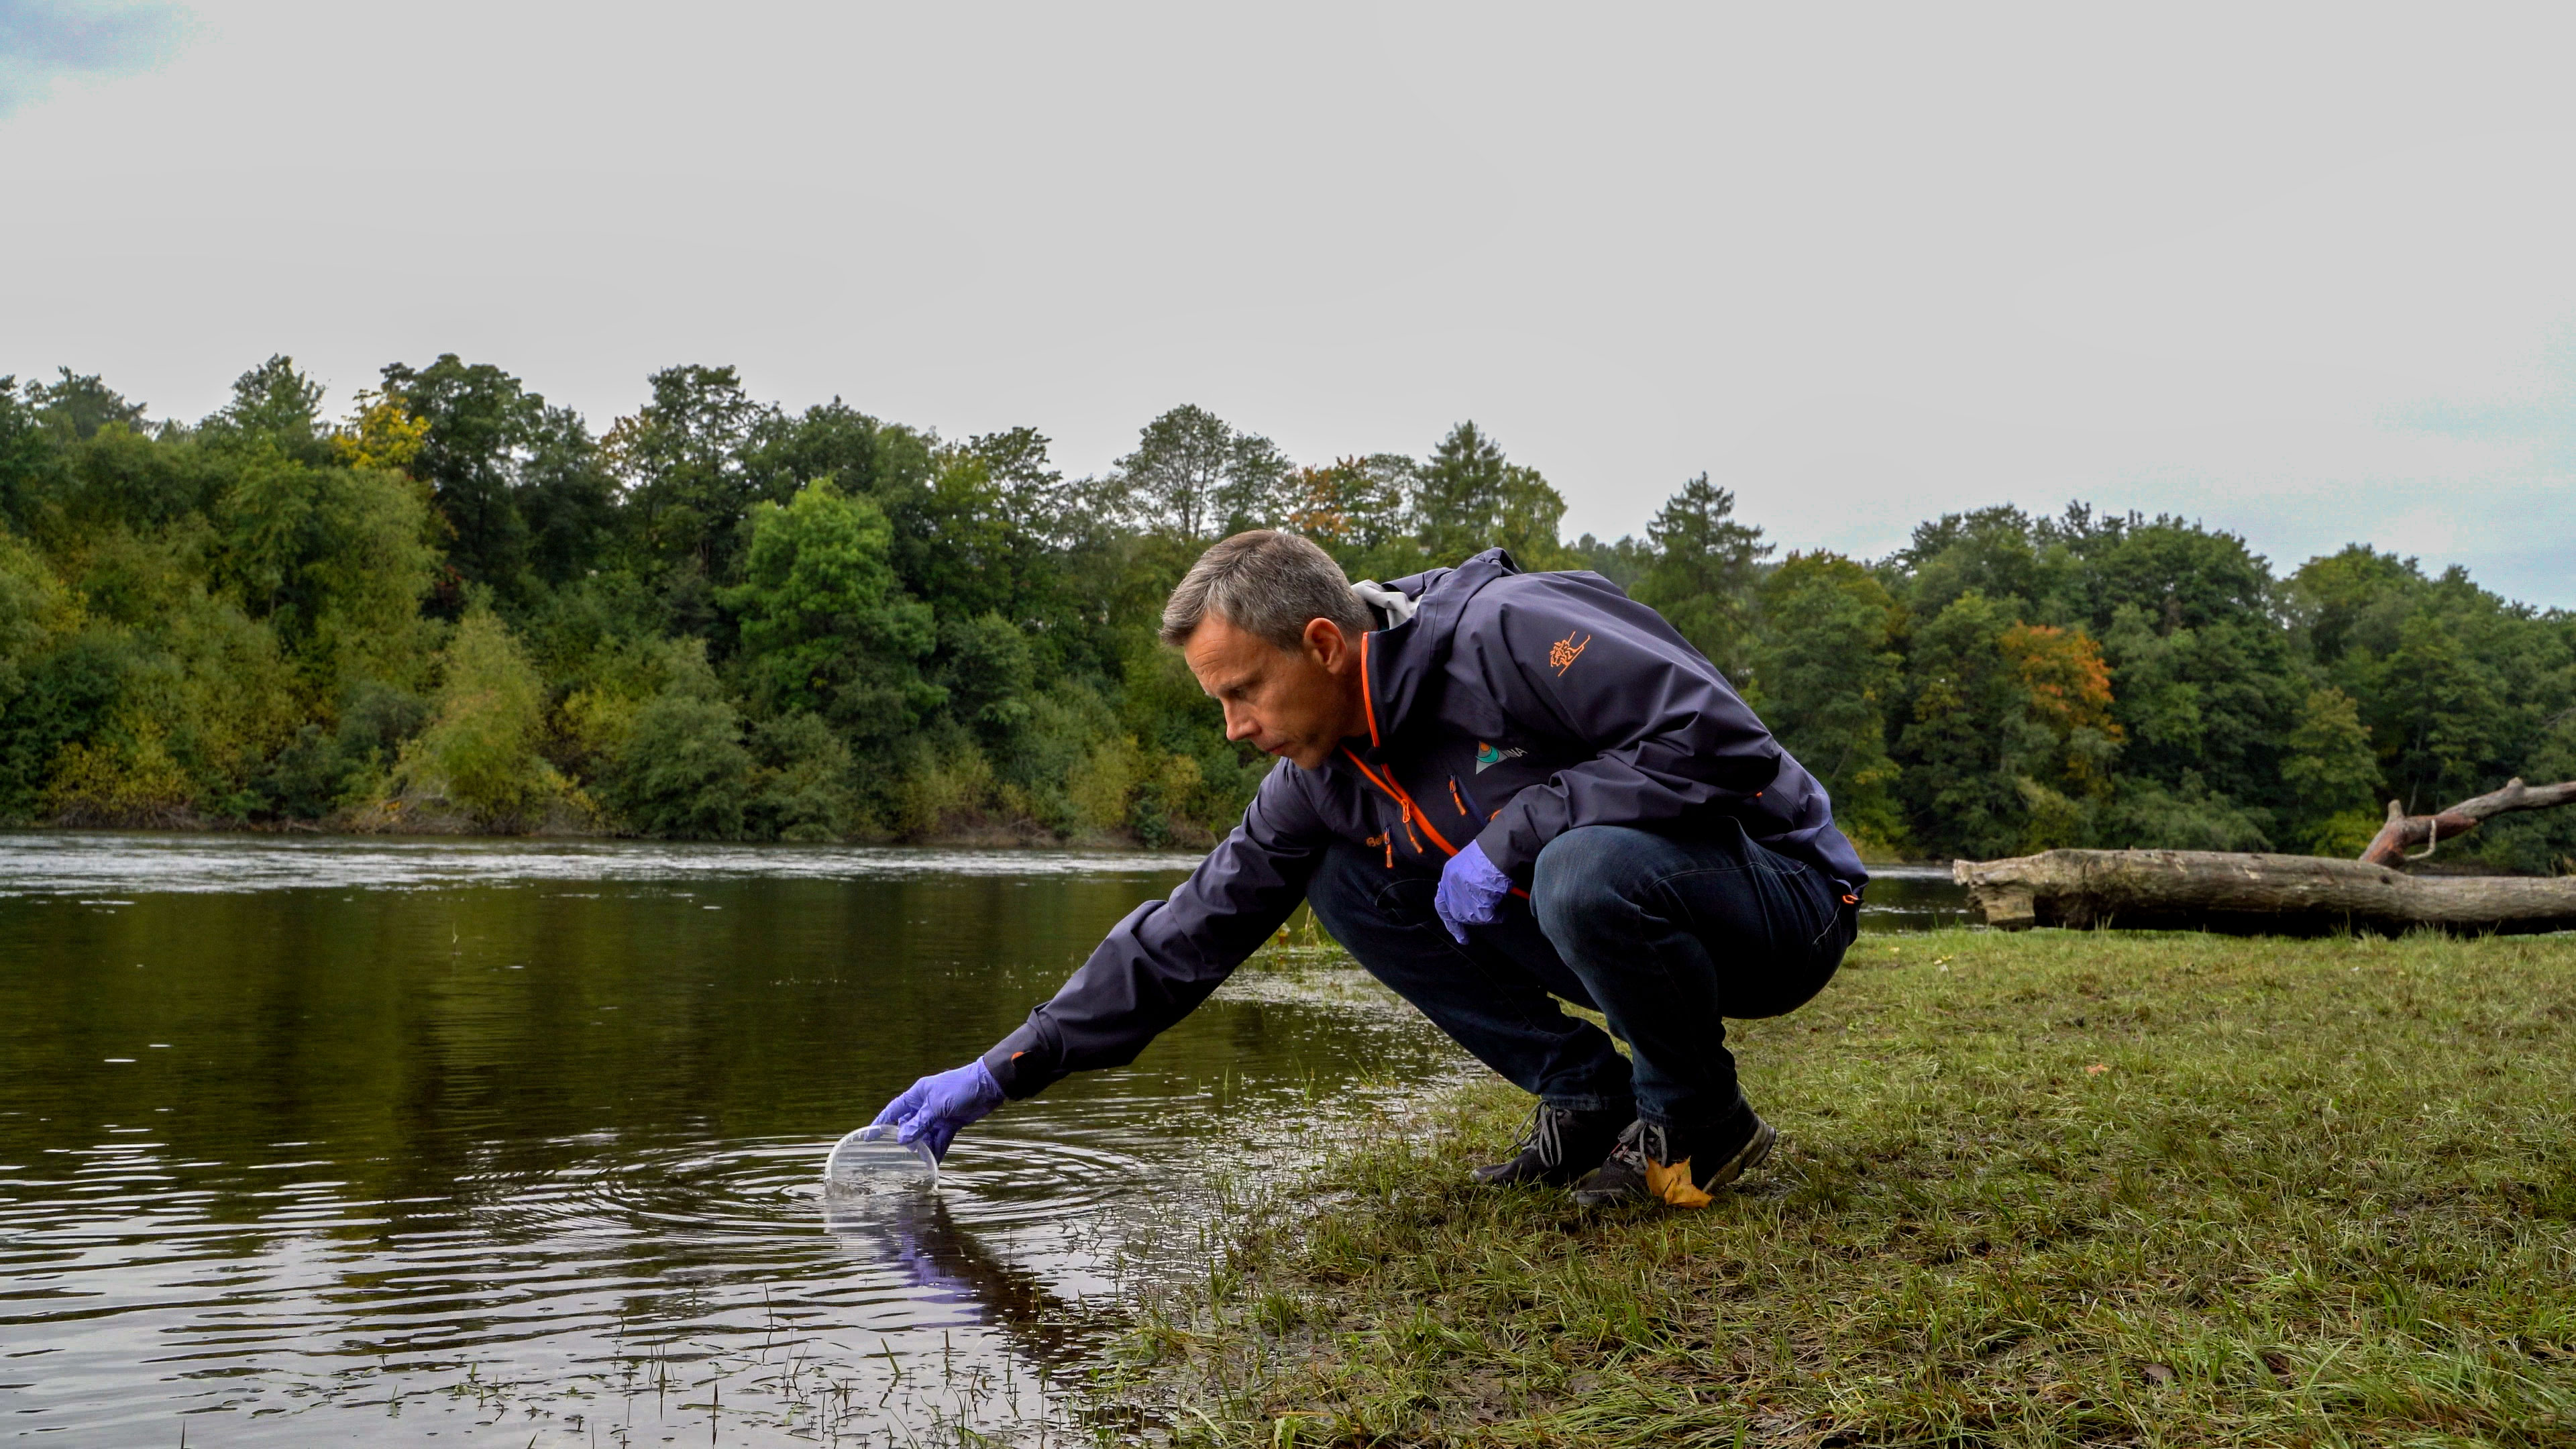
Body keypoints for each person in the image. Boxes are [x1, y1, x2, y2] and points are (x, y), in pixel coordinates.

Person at [872, 530, 1866, 1207]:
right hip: (1626, 907)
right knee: (1343, 883)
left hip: (1785, 900)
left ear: (1321, 643)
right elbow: (1191, 932)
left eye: (1244, 692)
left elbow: (1722, 741)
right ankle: (1586, 1097)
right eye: (1219, 703)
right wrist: (1003, 1070)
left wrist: (1514, 836)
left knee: (1576, 866)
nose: (1234, 729)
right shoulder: (1315, 780)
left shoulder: (1509, 633)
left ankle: (1701, 1124)